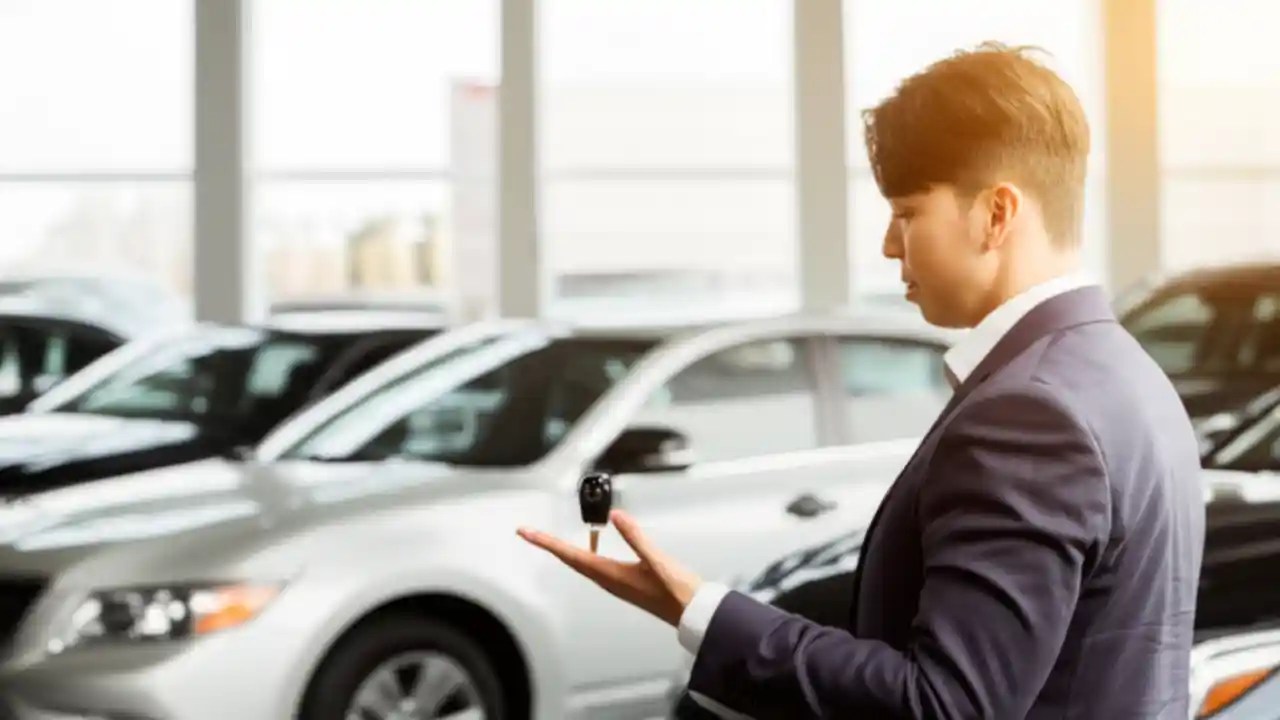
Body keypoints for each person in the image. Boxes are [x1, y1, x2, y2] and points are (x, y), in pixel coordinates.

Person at [518, 42, 1206, 718]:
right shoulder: (1130, 376)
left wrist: (698, 610)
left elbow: (944, 703)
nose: (888, 244)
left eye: (907, 212)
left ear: (996, 214)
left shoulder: (1030, 412)